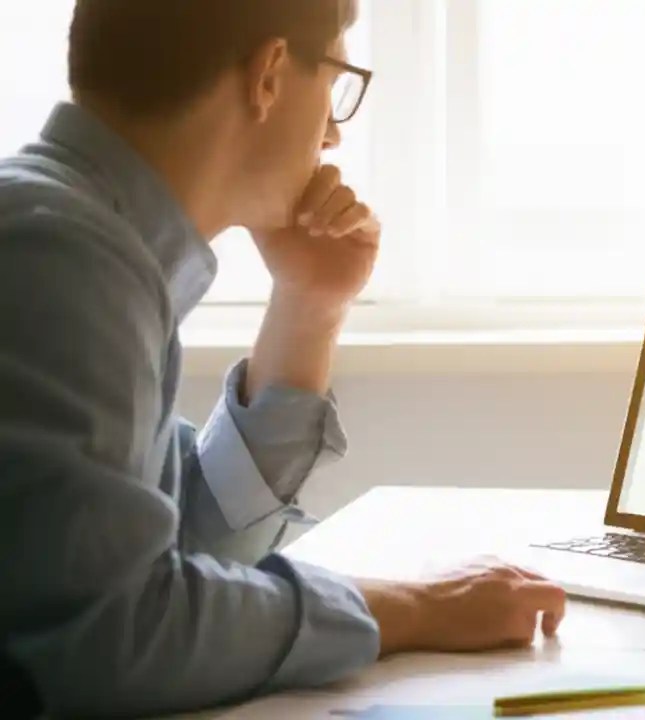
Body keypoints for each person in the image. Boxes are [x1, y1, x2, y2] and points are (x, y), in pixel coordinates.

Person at [0, 1, 566, 717]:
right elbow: (118, 635)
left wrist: (308, 305)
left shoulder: (81, 241)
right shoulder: (57, 257)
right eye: (335, 78)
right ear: (269, 75)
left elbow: (189, 540)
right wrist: (416, 610)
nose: (331, 134)